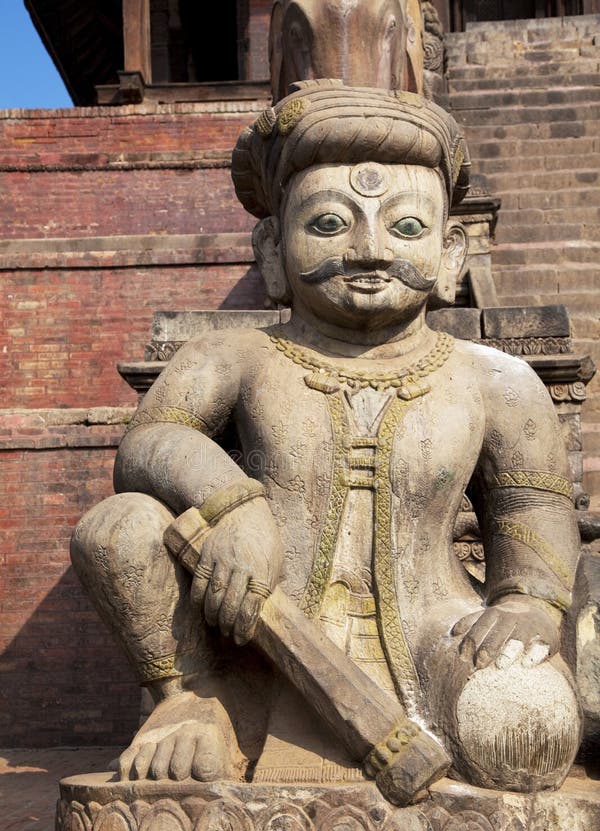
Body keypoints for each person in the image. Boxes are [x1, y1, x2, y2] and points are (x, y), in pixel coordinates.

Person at [71, 81, 581, 795]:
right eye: (331, 224)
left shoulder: (495, 379)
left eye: (406, 227)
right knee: (119, 527)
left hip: (434, 630)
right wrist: (233, 504)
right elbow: (151, 439)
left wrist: (527, 601)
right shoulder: (238, 355)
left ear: (451, 252)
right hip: (255, 635)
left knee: (531, 730)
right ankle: (191, 700)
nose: (369, 250)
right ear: (272, 248)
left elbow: (531, 508)